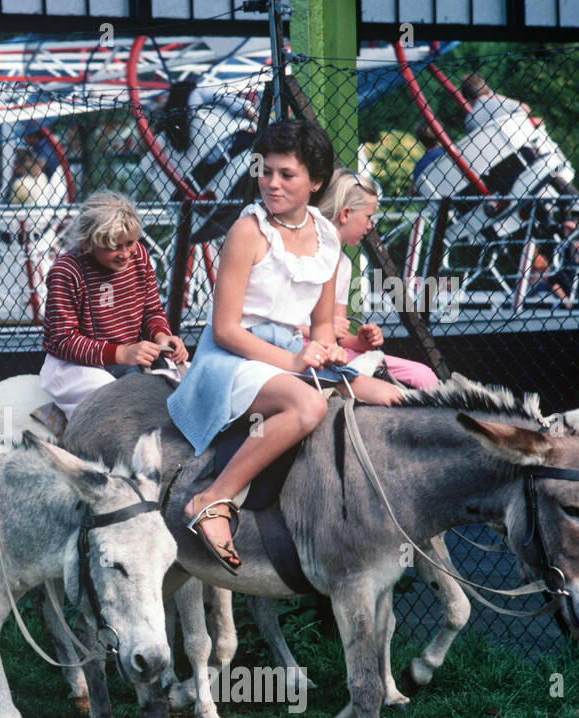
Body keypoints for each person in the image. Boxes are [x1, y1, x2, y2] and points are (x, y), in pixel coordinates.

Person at [166, 120, 402, 574]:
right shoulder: (247, 232)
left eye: (286, 174)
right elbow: (226, 330)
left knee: (390, 396)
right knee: (309, 406)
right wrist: (297, 360)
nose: (272, 182)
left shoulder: (328, 239)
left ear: (314, 182)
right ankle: (211, 499)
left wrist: (327, 349)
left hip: (290, 354)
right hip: (234, 359)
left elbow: (321, 327)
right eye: (266, 171)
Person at [40, 189, 188, 420]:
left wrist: (161, 337)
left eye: (130, 243)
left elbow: (151, 310)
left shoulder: (139, 255)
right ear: (89, 242)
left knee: (182, 387)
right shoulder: (66, 272)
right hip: (76, 365)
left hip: (129, 355)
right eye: (113, 247)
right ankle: (69, 425)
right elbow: (62, 340)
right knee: (115, 400)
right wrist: (120, 353)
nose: (126, 253)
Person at [316, 169, 438, 389]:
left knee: (424, 376)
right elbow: (281, 323)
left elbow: (338, 336)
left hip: (336, 352)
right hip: (305, 351)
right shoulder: (307, 255)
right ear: (344, 214)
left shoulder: (343, 264)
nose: (370, 226)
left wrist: (361, 342)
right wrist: (323, 327)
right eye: (368, 217)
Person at [460, 73, 540, 135]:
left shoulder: (469, 121)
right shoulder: (502, 103)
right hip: (522, 144)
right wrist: (493, 95)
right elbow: (527, 109)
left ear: (467, 97)